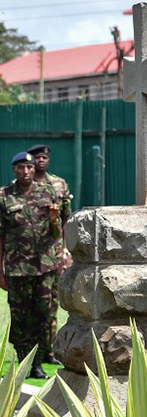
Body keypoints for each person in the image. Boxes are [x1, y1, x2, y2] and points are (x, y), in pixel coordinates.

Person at [0, 151, 67, 378]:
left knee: (44, 315)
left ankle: (37, 364)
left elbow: (56, 232)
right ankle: (23, 361)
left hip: (44, 268)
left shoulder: (47, 193)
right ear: (14, 170)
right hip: (16, 268)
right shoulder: (4, 196)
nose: (26, 171)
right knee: (20, 318)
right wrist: (0, 269)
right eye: (20, 168)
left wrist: (53, 221)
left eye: (28, 168)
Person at [25, 144, 71, 365]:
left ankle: (50, 351)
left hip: (53, 254)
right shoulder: (24, 187)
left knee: (52, 304)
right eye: (37, 157)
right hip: (26, 258)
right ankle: (32, 353)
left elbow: (65, 219)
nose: (41, 160)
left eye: (44, 157)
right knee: (31, 308)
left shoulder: (59, 184)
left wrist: (64, 249)